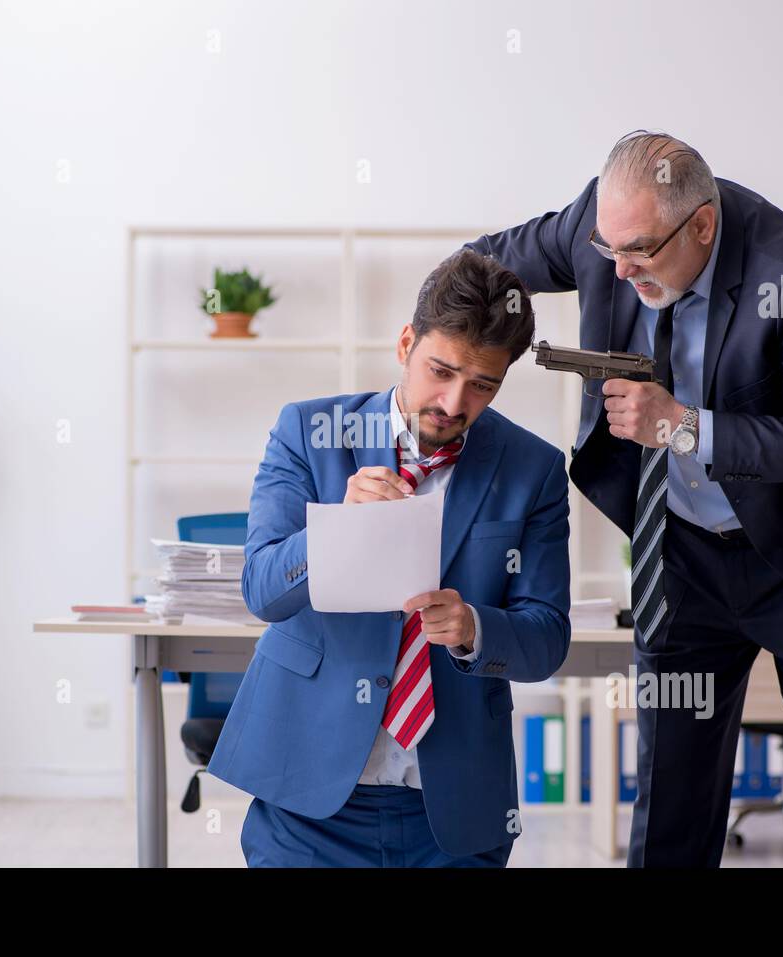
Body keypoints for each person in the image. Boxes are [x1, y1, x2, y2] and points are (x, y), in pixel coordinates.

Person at [464, 131, 783, 867]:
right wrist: (439, 353)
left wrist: (680, 425)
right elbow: (483, 265)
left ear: (701, 225)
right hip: (685, 560)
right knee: (670, 801)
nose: (617, 270)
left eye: (638, 251)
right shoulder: (605, 229)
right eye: (608, 250)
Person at [207, 249, 572, 866]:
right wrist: (336, 530)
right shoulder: (307, 431)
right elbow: (262, 590)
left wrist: (475, 627)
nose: (455, 403)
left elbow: (546, 637)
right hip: (308, 799)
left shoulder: (532, 468)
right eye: (441, 371)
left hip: (453, 812)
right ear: (406, 342)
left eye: (483, 384)